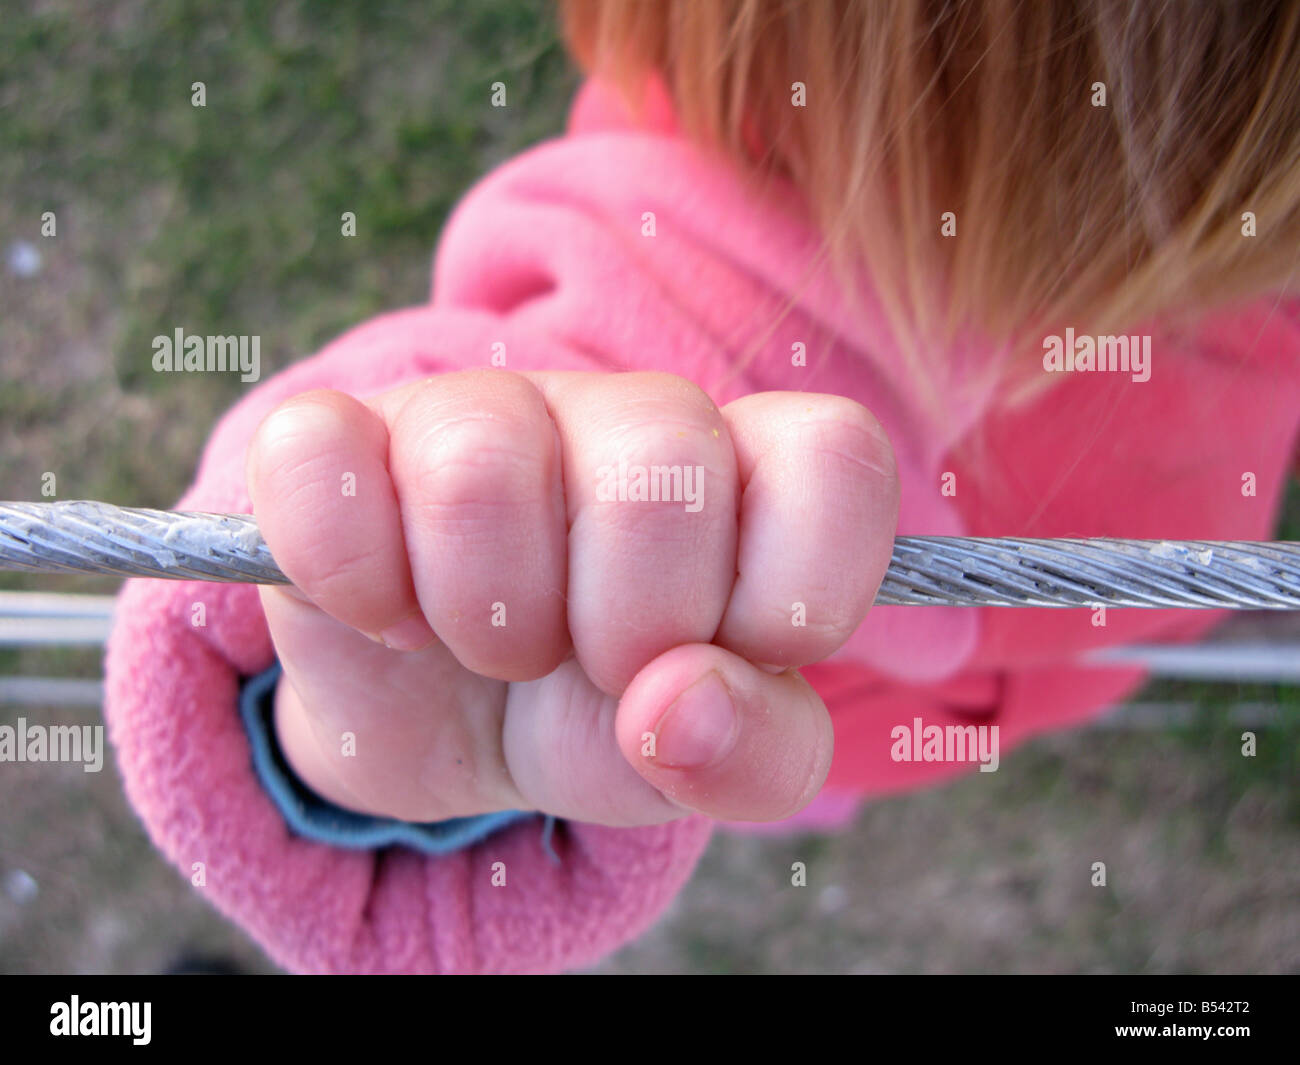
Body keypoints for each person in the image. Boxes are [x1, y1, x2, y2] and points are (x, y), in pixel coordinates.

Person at [104, 0, 1300, 973]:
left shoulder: (1249, 285)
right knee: (727, 743)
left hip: (914, 716)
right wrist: (349, 708)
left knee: (790, 765)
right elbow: (536, 400)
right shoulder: (696, 285)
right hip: (748, 720)